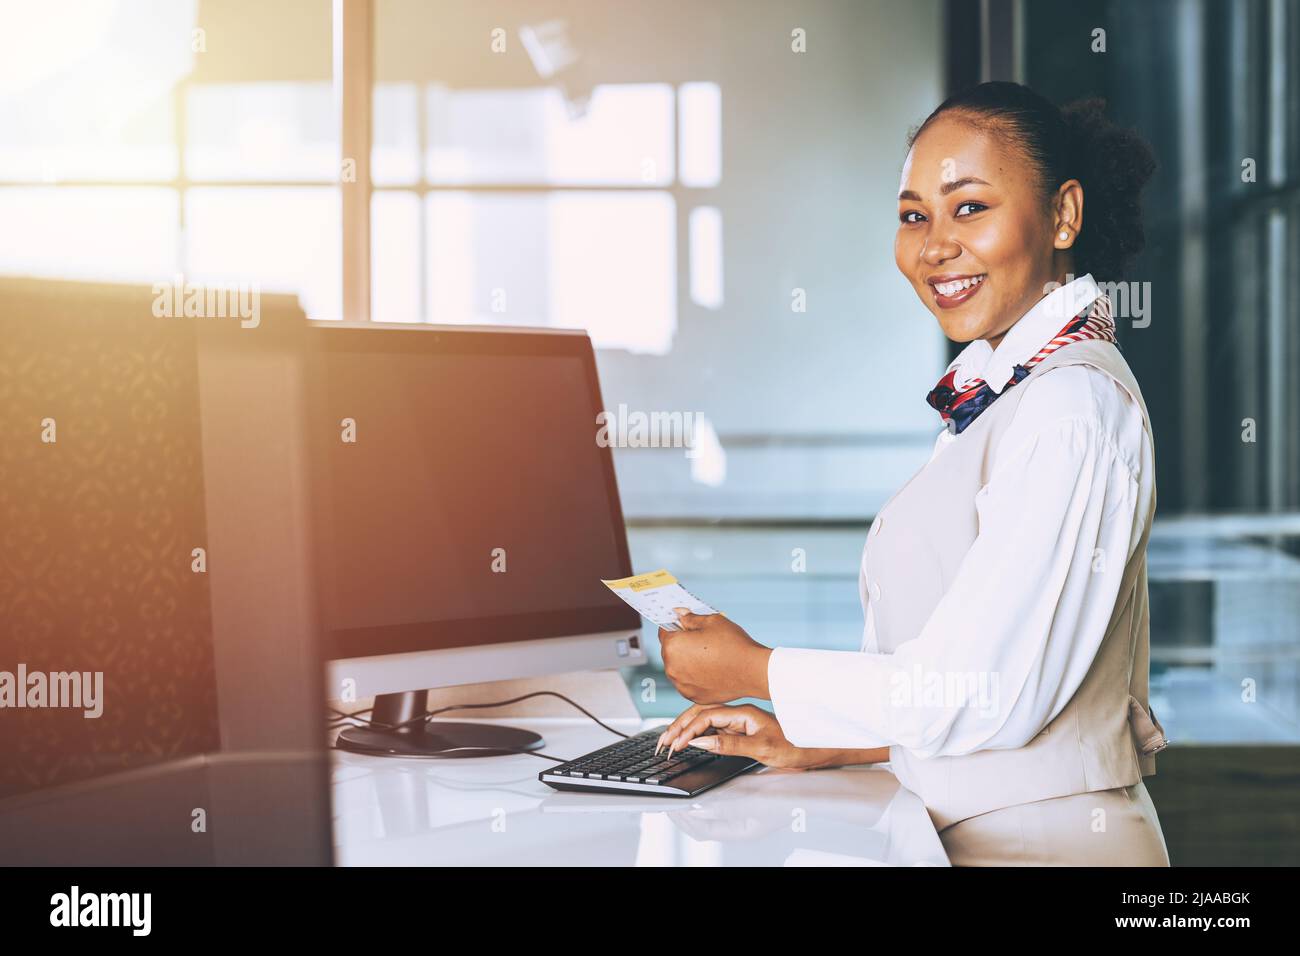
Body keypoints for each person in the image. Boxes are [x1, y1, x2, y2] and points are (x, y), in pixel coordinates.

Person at [654, 81, 1170, 866]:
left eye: (970, 207)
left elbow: (981, 693)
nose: (933, 245)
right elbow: (970, 690)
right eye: (912, 216)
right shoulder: (1011, 393)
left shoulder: (1070, 406)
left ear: (1063, 215)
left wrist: (756, 668)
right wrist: (820, 742)